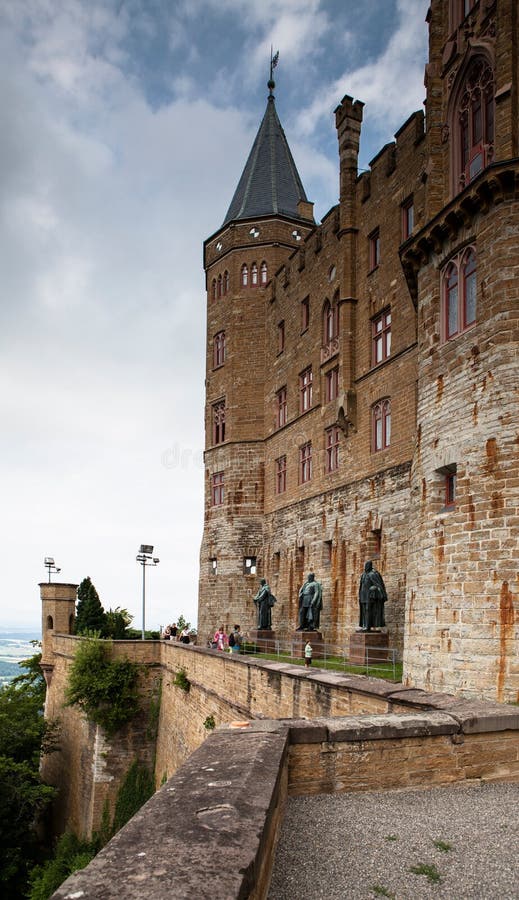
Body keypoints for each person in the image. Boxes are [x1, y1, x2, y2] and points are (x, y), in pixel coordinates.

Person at [358, 560, 388, 631]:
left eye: (367, 565)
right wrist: (360, 595)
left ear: (370, 566)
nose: (366, 567)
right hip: (363, 596)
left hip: (370, 596)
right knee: (364, 611)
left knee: (368, 610)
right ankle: (364, 625)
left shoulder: (374, 574)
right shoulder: (363, 574)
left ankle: (367, 627)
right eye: (365, 565)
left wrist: (374, 587)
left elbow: (379, 585)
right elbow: (361, 586)